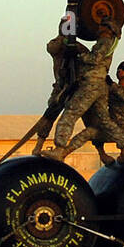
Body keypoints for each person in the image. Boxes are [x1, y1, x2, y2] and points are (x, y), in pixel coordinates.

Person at [41, 17, 124, 163]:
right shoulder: (106, 43)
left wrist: (78, 55)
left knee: (70, 114)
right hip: (99, 85)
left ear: (108, 29)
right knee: (105, 120)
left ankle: (59, 149)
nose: (98, 29)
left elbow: (94, 59)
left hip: (91, 85)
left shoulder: (105, 42)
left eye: (102, 26)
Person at [31, 16, 89, 156]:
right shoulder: (56, 43)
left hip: (77, 86)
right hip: (61, 86)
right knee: (50, 114)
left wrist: (74, 45)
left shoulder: (78, 46)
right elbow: (52, 48)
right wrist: (65, 40)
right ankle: (39, 144)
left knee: (86, 119)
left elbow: (87, 56)